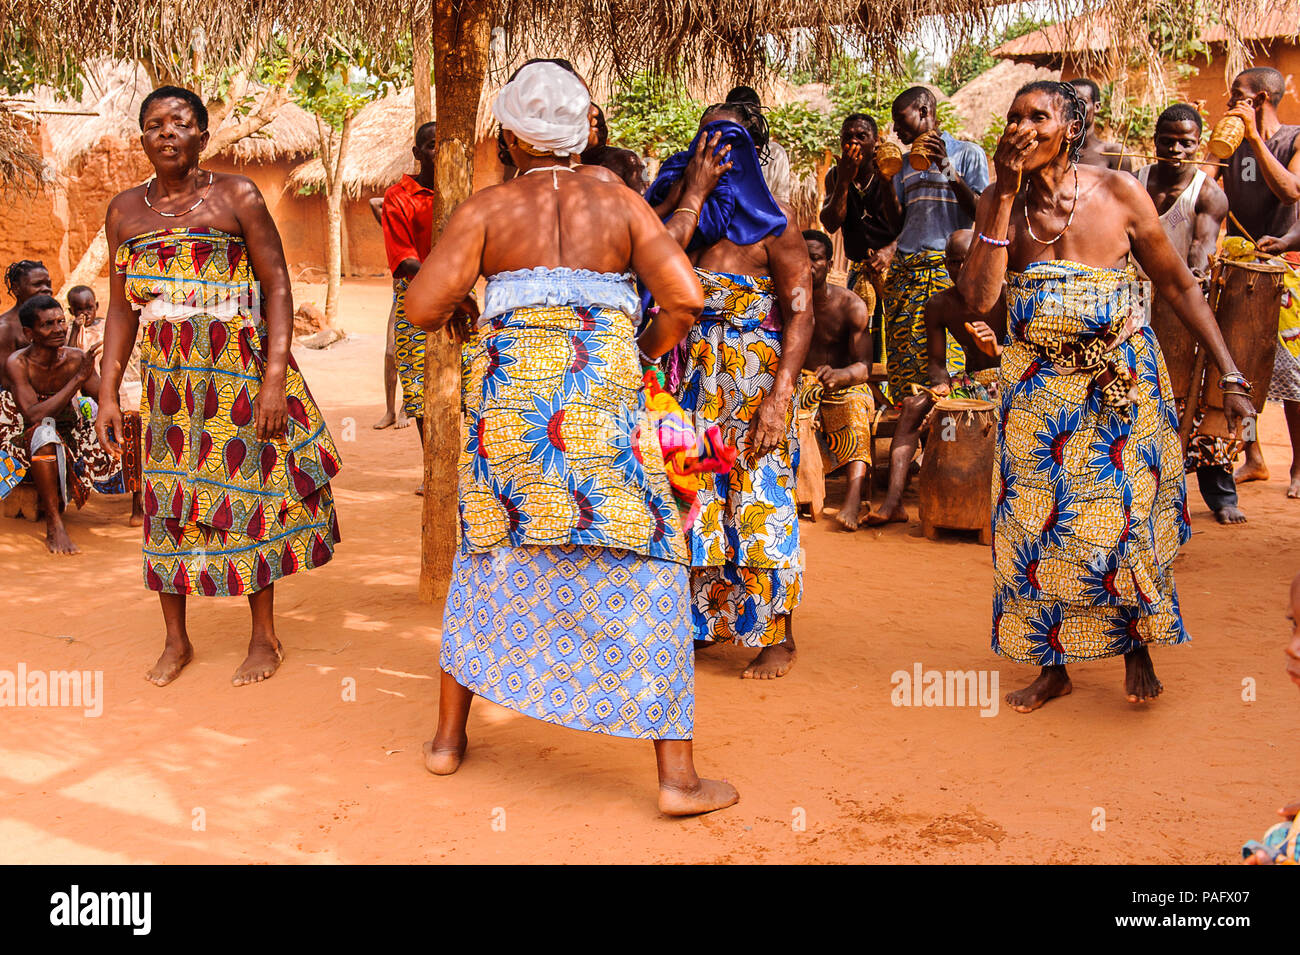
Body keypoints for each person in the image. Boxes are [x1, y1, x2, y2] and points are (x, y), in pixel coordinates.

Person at [402, 62, 736, 817]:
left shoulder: (488, 210)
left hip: (513, 422)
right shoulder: (620, 206)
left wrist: (473, 310)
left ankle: (448, 741)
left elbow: (424, 306)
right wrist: (642, 350)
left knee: (490, 549)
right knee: (646, 555)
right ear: (586, 129)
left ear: (511, 136)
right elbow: (684, 296)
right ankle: (677, 779)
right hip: (603, 415)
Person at [957, 80, 1254, 713]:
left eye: (1038, 115)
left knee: (1118, 523)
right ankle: (1052, 663)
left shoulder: (1119, 193)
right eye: (1014, 117)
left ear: (1070, 126)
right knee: (1033, 529)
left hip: (1115, 388)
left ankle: (1134, 644)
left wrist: (1229, 372)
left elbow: (1177, 286)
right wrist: (1003, 197)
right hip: (1035, 392)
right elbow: (979, 299)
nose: (1021, 127)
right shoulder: (997, 201)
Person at [96, 85, 342, 688]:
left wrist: (275, 376)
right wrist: (107, 393)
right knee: (165, 504)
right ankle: (175, 641)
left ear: (203, 135)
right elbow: (122, 308)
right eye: (154, 125)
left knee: (246, 495)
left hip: (235, 371)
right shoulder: (125, 211)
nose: (167, 133)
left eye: (180, 123)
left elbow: (277, 284)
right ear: (143, 137)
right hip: (166, 386)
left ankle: (264, 637)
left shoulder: (237, 195)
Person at [647, 100, 814, 679]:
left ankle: (778, 636)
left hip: (753, 383)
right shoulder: (683, 219)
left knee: (759, 500)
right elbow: (650, 269)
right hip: (690, 382)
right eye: (706, 138)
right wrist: (685, 195)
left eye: (730, 139)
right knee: (696, 499)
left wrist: (780, 395)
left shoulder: (777, 226)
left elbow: (802, 313)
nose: (718, 151)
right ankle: (708, 621)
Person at [1135, 103, 1241, 523]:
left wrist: (1189, 283)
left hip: (1182, 299)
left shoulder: (1209, 193)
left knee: (1201, 401)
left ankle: (1220, 494)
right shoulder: (1135, 184)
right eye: (1168, 141)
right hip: (1136, 300)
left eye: (1187, 142)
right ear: (1154, 142)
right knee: (1140, 396)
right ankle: (1144, 492)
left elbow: (1201, 251)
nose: (1177, 150)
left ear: (1199, 145)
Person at [867, 228, 1004, 527]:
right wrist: (941, 386)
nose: (959, 269)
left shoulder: (1005, 295)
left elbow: (1026, 353)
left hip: (1011, 380)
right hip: (971, 382)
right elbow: (936, 363)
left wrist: (998, 349)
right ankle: (893, 502)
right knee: (913, 407)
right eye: (952, 262)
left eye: (966, 261)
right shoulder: (940, 305)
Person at [1216, 67, 1300, 497]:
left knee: (1291, 376)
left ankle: (1299, 468)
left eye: (1238, 96)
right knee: (1239, 368)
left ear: (1261, 98)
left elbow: (1291, 191)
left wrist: (1253, 138)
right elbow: (1204, 183)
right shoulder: (1231, 142)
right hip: (1237, 267)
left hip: (1284, 269)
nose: (1230, 103)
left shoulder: (1293, 139)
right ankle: (1254, 455)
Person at [882, 86, 988, 403]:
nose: (896, 130)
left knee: (949, 370)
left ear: (925, 111)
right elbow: (895, 225)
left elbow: (980, 211)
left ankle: (947, 443)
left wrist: (945, 167)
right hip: (906, 275)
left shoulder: (968, 154)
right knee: (905, 367)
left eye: (901, 120)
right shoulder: (901, 165)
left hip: (948, 274)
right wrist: (887, 182)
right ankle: (911, 441)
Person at [0, 295, 119, 553]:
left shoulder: (76, 358)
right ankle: (54, 525)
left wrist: (110, 369)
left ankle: (139, 508)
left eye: (61, 322)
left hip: (71, 431)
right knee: (44, 435)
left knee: (127, 420)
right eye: (48, 325)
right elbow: (33, 416)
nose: (59, 329)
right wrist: (77, 380)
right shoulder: (18, 363)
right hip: (25, 438)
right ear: (29, 333)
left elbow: (104, 398)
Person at [798, 229, 874, 530]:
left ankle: (853, 501)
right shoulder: (790, 301)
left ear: (829, 264)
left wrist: (842, 375)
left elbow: (864, 368)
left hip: (843, 387)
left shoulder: (850, 305)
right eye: (803, 257)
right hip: (802, 386)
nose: (808, 265)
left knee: (856, 405)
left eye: (815, 258)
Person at [380, 121, 438, 488]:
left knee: (469, 385)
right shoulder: (398, 196)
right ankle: (433, 468)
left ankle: (462, 467)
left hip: (460, 297)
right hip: (416, 297)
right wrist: (449, 279)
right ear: (418, 153)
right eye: (431, 145)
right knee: (419, 389)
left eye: (445, 144)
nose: (439, 151)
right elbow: (403, 259)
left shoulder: (461, 191)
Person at [820, 113, 898, 357]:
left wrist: (891, 250)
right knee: (860, 344)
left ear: (875, 141)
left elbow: (914, 221)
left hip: (894, 268)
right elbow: (831, 223)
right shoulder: (835, 175)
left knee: (896, 339)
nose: (853, 143)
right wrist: (844, 181)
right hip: (860, 272)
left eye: (861, 137)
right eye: (847, 137)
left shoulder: (892, 171)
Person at [367, 196, 407, 431]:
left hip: (420, 298)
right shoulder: (395, 231)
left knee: (413, 357)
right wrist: (400, 200)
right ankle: (390, 410)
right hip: (398, 299)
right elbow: (375, 202)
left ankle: (406, 407)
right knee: (390, 353)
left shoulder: (426, 231)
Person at [725, 86, 793, 203]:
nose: (748, 122)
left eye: (752, 116)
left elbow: (781, 203)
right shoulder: (719, 150)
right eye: (741, 115)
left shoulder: (775, 153)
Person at [0, 260, 53, 390]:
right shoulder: (5, 328)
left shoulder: (52, 321)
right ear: (16, 288)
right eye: (37, 284)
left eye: (48, 284)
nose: (46, 289)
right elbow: (7, 382)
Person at [1068, 78, 1135, 172]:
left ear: (1097, 107)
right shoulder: (1055, 151)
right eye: (1070, 102)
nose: (1075, 108)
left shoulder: (1114, 153)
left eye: (1081, 101)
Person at [66, 285, 104, 355]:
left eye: (89, 308)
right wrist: (75, 330)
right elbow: (68, 356)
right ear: (71, 311)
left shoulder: (104, 326)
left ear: (96, 306)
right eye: (79, 309)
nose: (85, 313)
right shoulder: (69, 330)